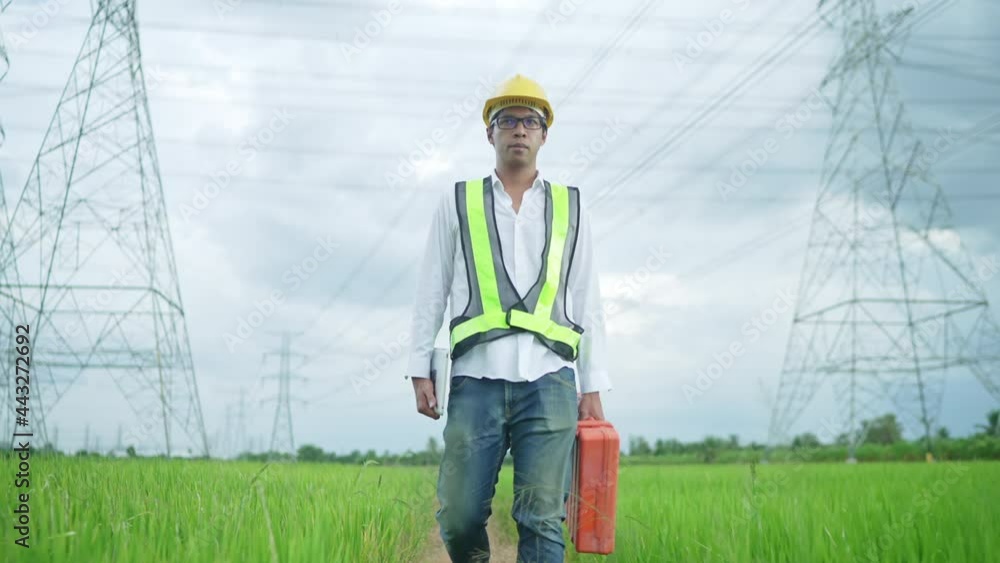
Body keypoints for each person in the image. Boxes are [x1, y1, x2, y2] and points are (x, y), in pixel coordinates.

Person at [404, 74, 611, 563]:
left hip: (550, 381)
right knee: (458, 516)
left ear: (544, 135)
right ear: (490, 133)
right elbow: (431, 288)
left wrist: (593, 385)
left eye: (530, 121)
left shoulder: (570, 205)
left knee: (542, 519)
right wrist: (418, 368)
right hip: (476, 380)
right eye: (508, 120)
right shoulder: (458, 201)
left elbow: (587, 297)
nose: (519, 129)